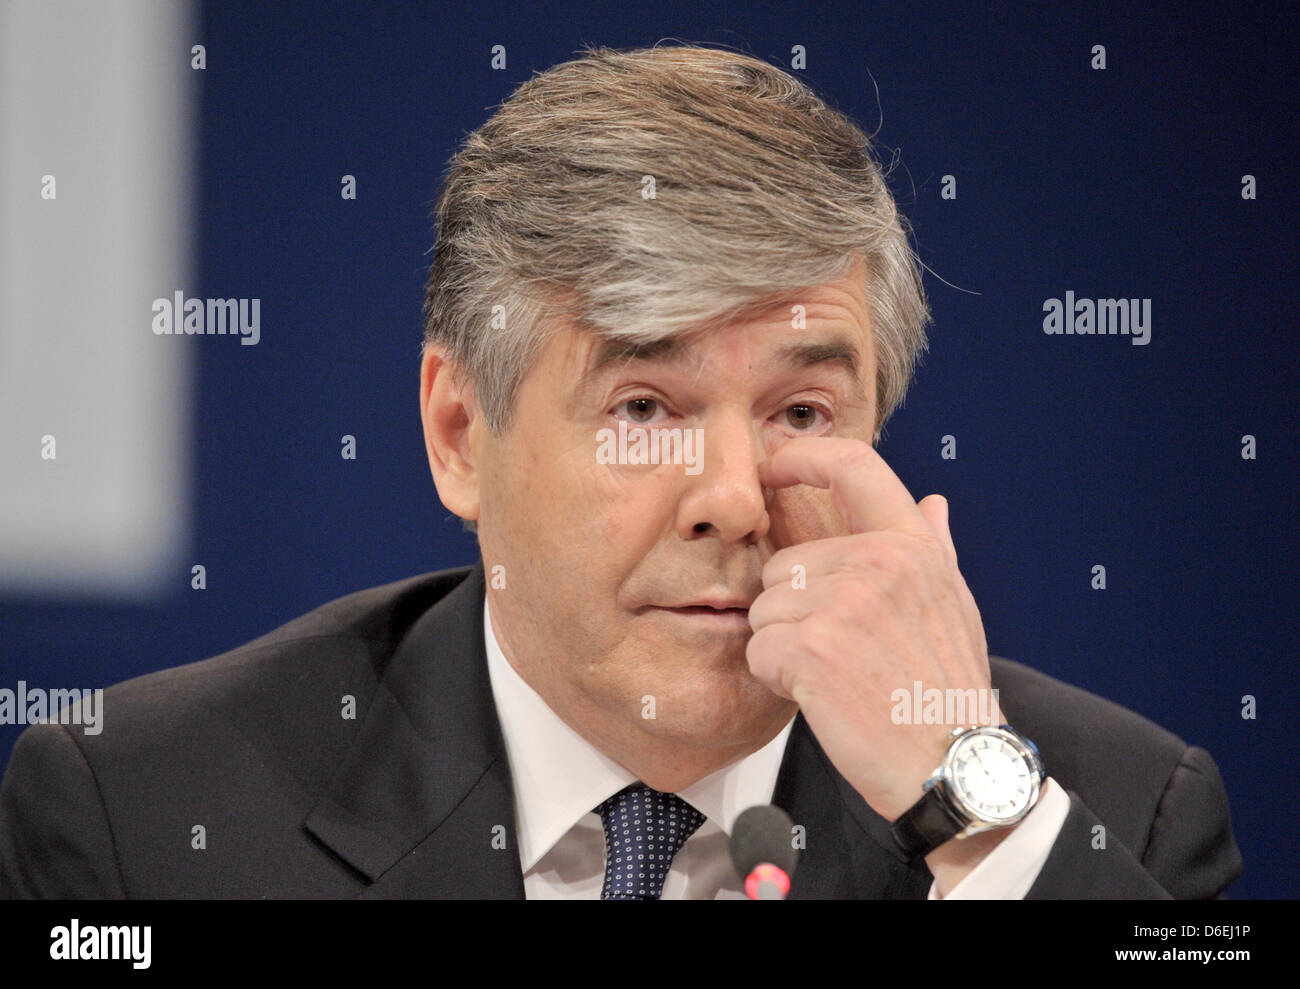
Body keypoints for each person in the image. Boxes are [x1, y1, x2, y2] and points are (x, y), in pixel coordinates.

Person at [0, 43, 1240, 899]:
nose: (734, 499)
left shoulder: (1111, 812)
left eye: (802, 408)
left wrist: (972, 818)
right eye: (643, 403)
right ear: (457, 434)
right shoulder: (149, 816)